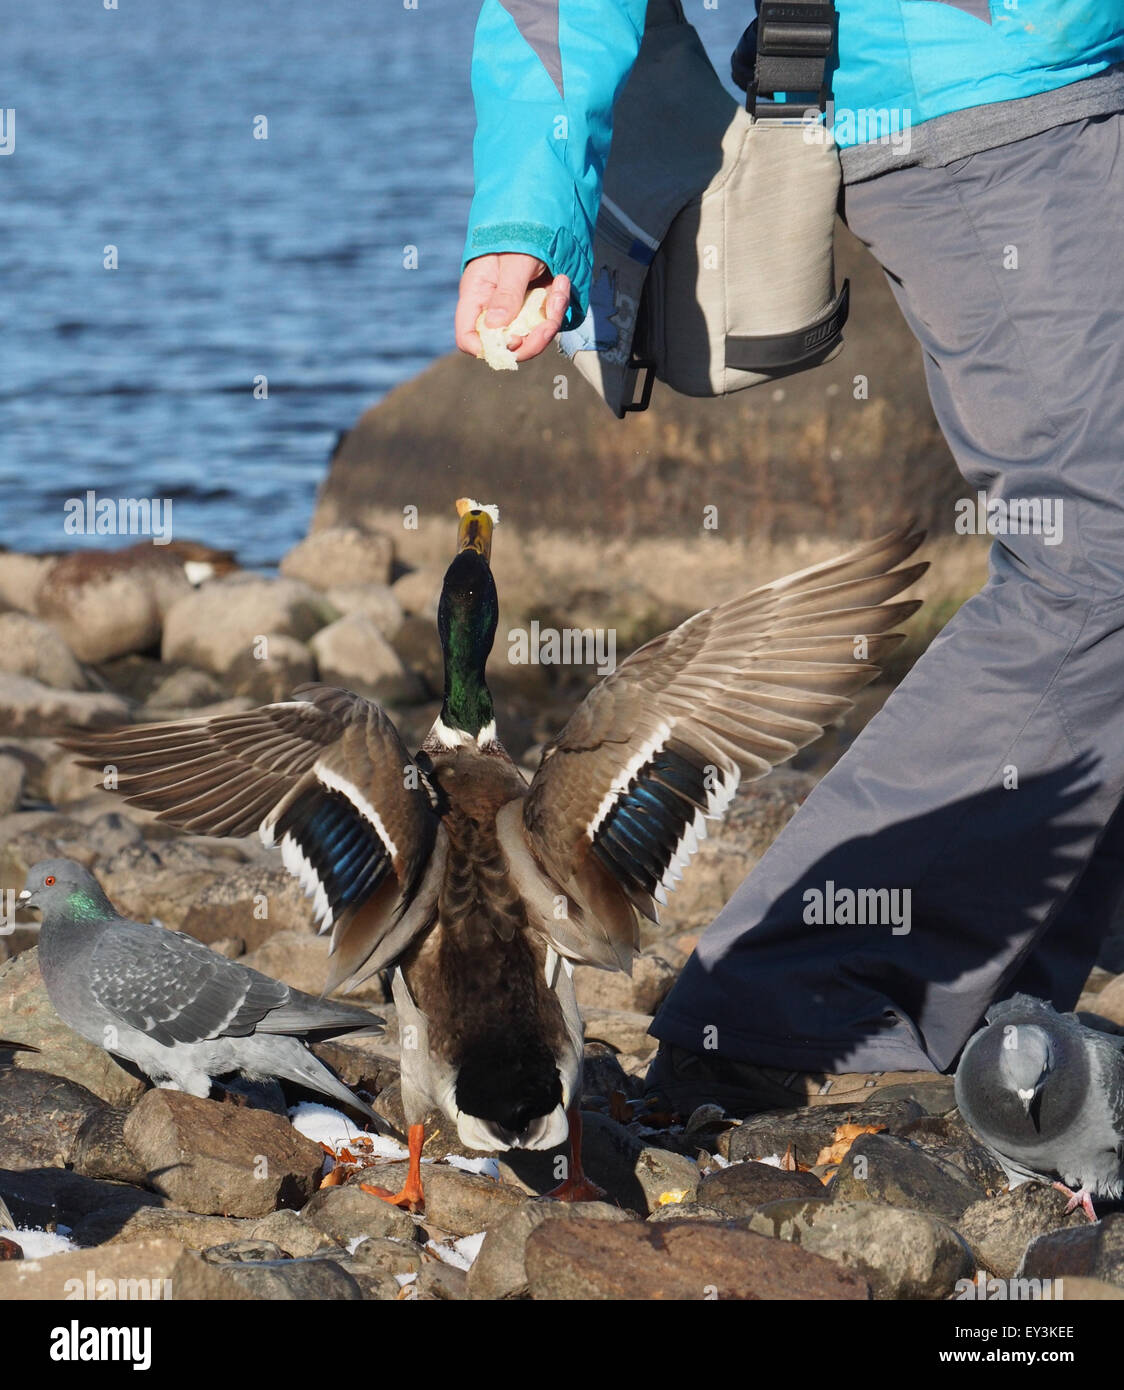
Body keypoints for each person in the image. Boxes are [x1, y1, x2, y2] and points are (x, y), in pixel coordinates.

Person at [455, 0, 1124, 1116]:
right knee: (1092, 564)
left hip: (1072, 83)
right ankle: (786, 1007)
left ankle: (999, 1009)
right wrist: (530, 209)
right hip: (987, 109)